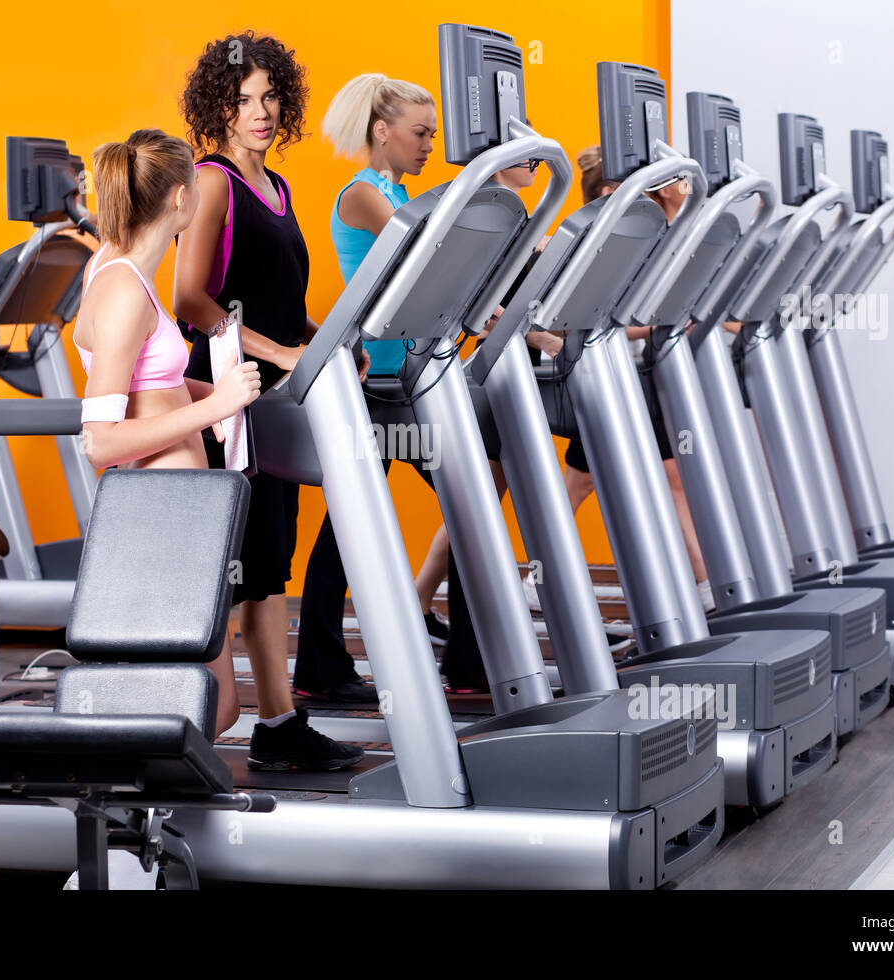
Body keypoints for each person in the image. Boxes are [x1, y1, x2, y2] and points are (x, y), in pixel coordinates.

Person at [172, 32, 364, 770]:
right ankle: (215, 716)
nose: (258, 111)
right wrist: (278, 351)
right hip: (225, 389)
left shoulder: (278, 188)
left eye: (269, 97)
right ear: (217, 107)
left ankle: (278, 726)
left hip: (271, 392)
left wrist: (315, 342)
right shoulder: (212, 180)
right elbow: (190, 297)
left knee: (268, 565)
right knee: (239, 563)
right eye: (242, 99)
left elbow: (282, 301)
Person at [294, 72, 487, 699]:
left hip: (404, 372)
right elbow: (428, 252)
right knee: (466, 501)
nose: (429, 144)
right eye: (420, 132)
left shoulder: (396, 191)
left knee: (355, 520)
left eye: (432, 133)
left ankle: (327, 663)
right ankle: (463, 658)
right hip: (383, 380)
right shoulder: (362, 195)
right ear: (383, 131)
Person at [72, 128, 261, 738]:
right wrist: (214, 408)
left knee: (209, 701)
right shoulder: (124, 288)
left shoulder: (119, 266)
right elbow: (100, 440)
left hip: (179, 504)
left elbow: (148, 391)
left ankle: (148, 822)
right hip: (167, 510)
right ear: (181, 200)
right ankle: (145, 824)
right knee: (210, 705)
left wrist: (217, 395)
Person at [524, 145, 714, 611]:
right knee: (637, 480)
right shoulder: (603, 243)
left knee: (617, 481)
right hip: (605, 380)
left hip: (629, 379)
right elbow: (589, 320)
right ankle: (704, 587)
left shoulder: (648, 236)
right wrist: (656, 324)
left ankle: (703, 585)